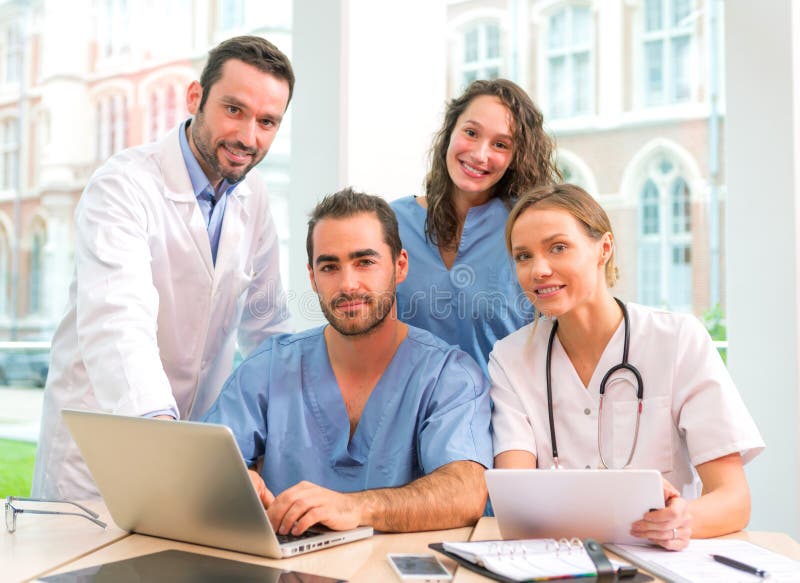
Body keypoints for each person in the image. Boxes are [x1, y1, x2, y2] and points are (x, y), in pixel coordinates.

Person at [33, 36, 294, 500]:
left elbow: (267, 329)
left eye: (267, 121)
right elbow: (118, 322)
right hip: (97, 457)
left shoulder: (255, 200)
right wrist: (171, 446)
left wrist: (294, 435)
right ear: (195, 97)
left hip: (186, 451)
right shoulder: (123, 185)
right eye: (233, 110)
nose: (248, 137)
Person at [490, 183, 764, 551]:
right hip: (559, 565)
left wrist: (684, 520)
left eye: (558, 247)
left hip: (660, 561)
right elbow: (517, 503)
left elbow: (734, 499)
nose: (539, 269)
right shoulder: (510, 359)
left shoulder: (678, 340)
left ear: (604, 248)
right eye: (523, 256)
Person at [203, 188, 492, 535]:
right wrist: (235, 484)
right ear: (312, 277)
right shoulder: (268, 368)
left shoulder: (448, 376)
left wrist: (356, 507)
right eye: (330, 267)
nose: (348, 284)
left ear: (400, 266)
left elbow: (467, 492)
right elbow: (202, 468)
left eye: (365, 262)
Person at [391, 79, 560, 373]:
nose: (480, 155)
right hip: (404, 414)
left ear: (516, 157)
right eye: (471, 133)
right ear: (449, 132)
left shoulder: (528, 231)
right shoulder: (391, 224)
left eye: (500, 144)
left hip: (501, 416)